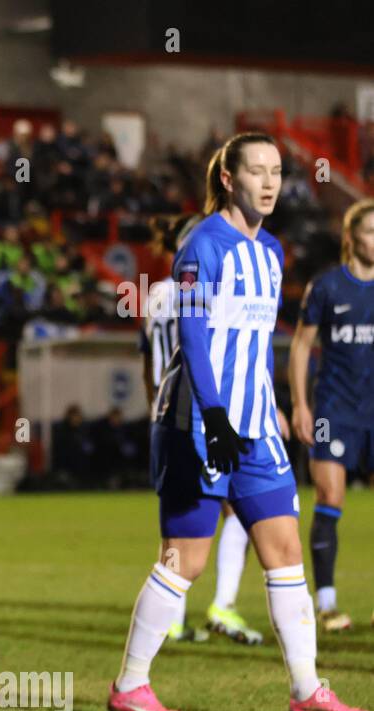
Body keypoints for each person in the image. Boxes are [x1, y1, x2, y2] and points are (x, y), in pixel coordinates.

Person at [110, 132, 367, 711]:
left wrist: (267, 406)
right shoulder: (203, 245)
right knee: (185, 561)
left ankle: (307, 688)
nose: (271, 182)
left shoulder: (273, 250)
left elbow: (252, 342)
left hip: (255, 429)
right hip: (196, 425)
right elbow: (196, 335)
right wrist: (216, 413)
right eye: (258, 171)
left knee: (283, 552)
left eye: (278, 171)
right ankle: (130, 684)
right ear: (229, 179)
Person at [141, 212, 265, 645]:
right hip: (195, 406)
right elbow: (199, 344)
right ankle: (220, 605)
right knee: (223, 515)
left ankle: (179, 617)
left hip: (165, 406)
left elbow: (147, 361)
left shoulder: (155, 294)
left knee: (181, 527)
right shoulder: (196, 286)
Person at [289, 197, 374, 632]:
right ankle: (326, 604)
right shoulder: (326, 287)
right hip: (332, 410)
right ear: (350, 237)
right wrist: (302, 405)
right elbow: (301, 347)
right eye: (370, 232)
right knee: (329, 497)